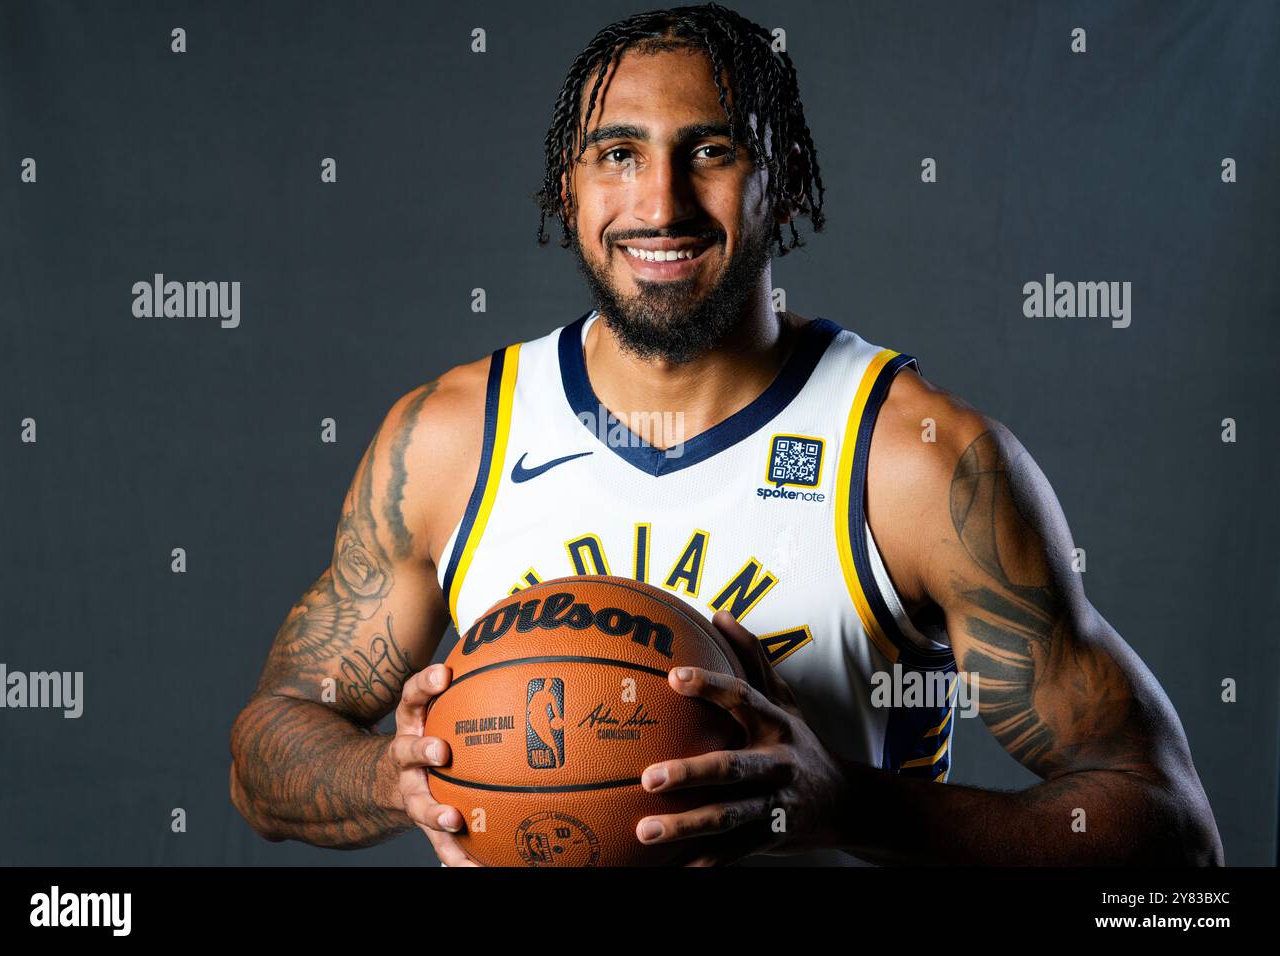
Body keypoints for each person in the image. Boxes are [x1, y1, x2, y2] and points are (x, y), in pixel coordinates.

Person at [229, 3, 1222, 866]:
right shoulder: (452, 441)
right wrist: (388, 776)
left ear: (780, 183)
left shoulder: (913, 459)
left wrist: (846, 802)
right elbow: (264, 750)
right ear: (569, 188)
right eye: (618, 153)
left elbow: (1173, 830)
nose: (659, 203)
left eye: (710, 150)